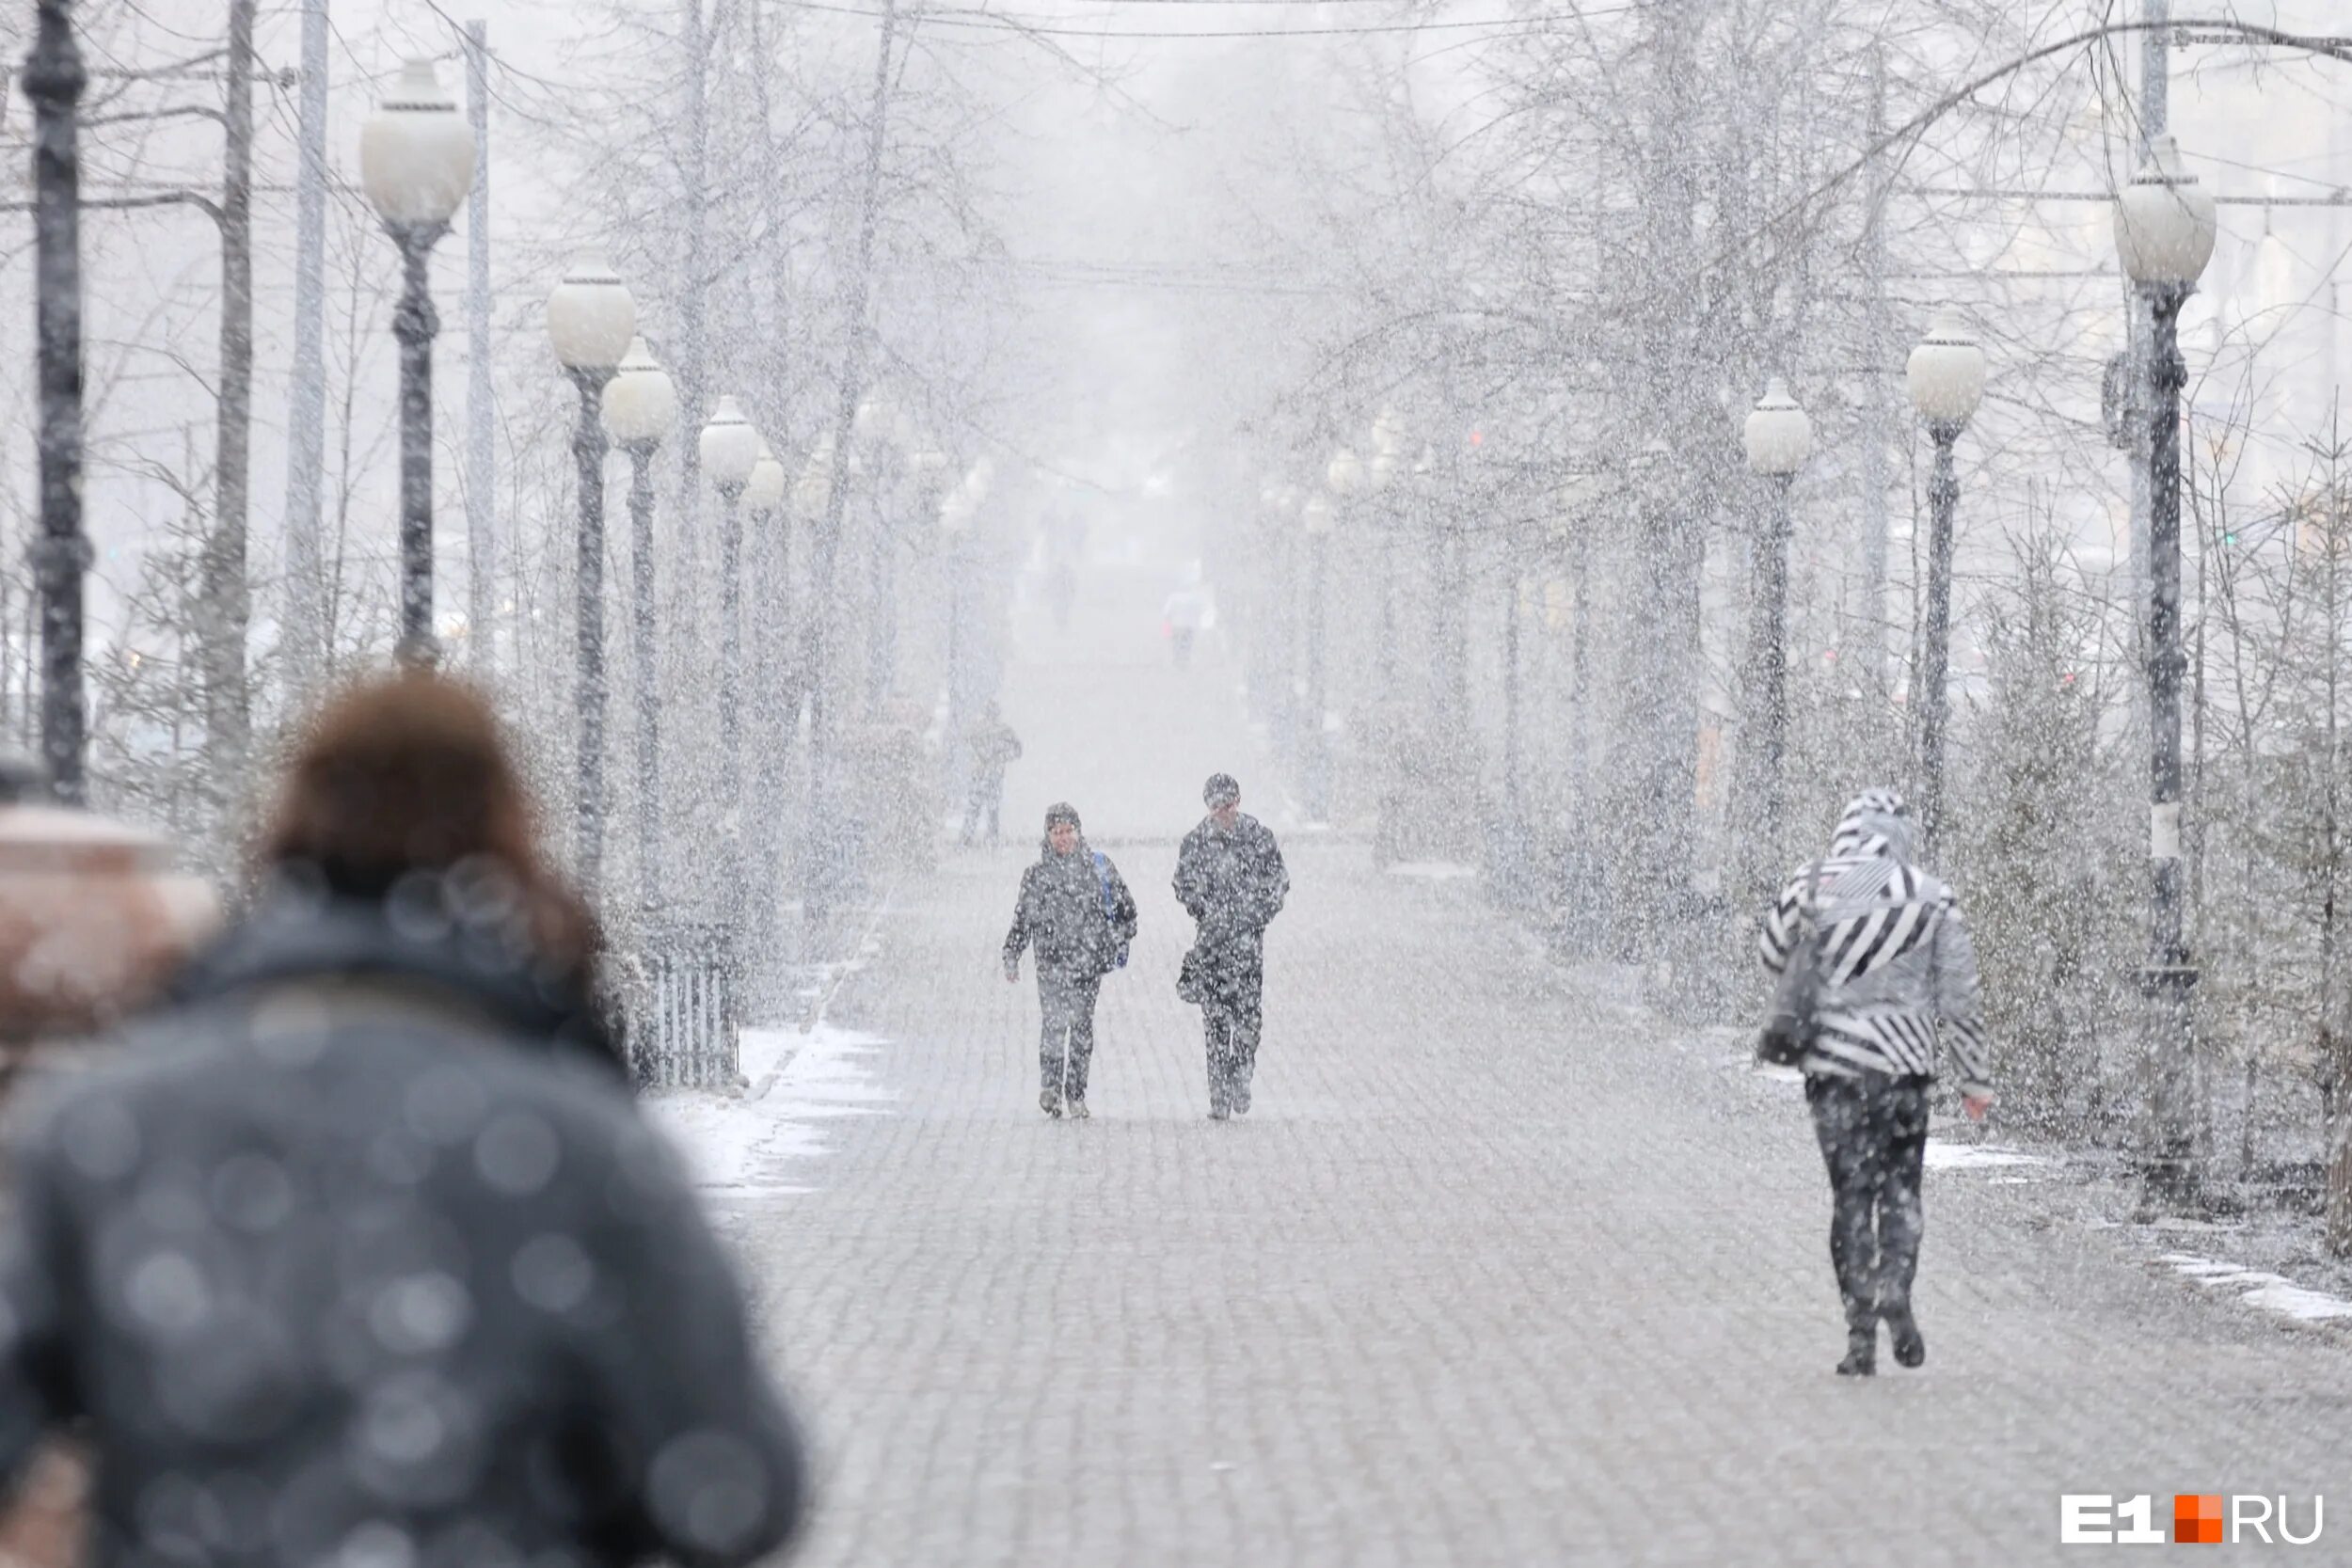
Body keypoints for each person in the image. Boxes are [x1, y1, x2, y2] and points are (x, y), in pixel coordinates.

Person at [0, 673, 807, 1566]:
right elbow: (739, 1494)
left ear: (285, 831)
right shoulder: (580, 1149)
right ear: (507, 838)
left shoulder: (104, 1130)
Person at [1760, 788, 1994, 1378]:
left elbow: (1770, 955)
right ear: (1901, 836)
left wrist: (1833, 973)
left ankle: (1860, 1335)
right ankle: (1895, 1286)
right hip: (1904, 1071)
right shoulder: (1932, 895)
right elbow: (1960, 995)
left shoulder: (1809, 884)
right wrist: (1974, 1078)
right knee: (1900, 1193)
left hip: (1834, 1071)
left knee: (1851, 1197)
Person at [1003, 802, 1136, 1120]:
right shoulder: (1036, 876)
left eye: (1067, 831)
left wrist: (1117, 938)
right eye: (1056, 832)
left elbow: (1126, 910)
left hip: (1088, 964)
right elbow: (1023, 919)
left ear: (1078, 832)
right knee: (1053, 1024)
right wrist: (1012, 953)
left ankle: (1076, 1093)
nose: (1062, 838)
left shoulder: (1098, 868)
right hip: (1050, 964)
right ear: (1047, 836)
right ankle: (1050, 1087)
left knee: (1081, 1028)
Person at [1174, 774, 1288, 1120]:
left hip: (1248, 946)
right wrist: (1205, 910)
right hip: (1211, 946)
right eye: (1216, 807)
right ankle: (1219, 1097)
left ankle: (1241, 1075)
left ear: (1238, 801)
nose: (1223, 812)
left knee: (1249, 1021)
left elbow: (1278, 881)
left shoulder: (1259, 838)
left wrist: (1257, 915)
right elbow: (1182, 883)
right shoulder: (1195, 842)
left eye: (1228, 805)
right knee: (1216, 1024)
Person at [961, 701, 1024, 848]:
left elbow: (1017, 750)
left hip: (985, 774)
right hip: (987, 774)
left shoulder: (981, 729)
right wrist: (998, 758)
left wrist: (996, 758)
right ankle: (984, 839)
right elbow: (1017, 750)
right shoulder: (1000, 730)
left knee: (980, 808)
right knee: (988, 808)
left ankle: (971, 838)